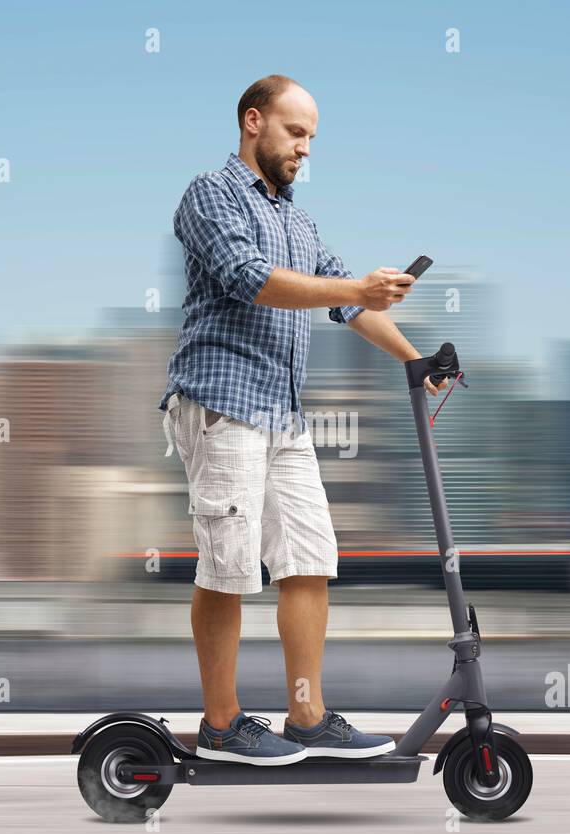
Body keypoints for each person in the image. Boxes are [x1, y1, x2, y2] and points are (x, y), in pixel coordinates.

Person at [159, 74, 441, 766]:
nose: (304, 149)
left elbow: (347, 305)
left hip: (283, 417)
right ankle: (221, 724)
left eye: (311, 138)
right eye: (295, 132)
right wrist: (356, 287)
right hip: (222, 405)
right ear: (253, 122)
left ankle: (306, 715)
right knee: (229, 567)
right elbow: (248, 277)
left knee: (309, 559)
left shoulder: (298, 219)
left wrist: (415, 359)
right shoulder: (209, 195)